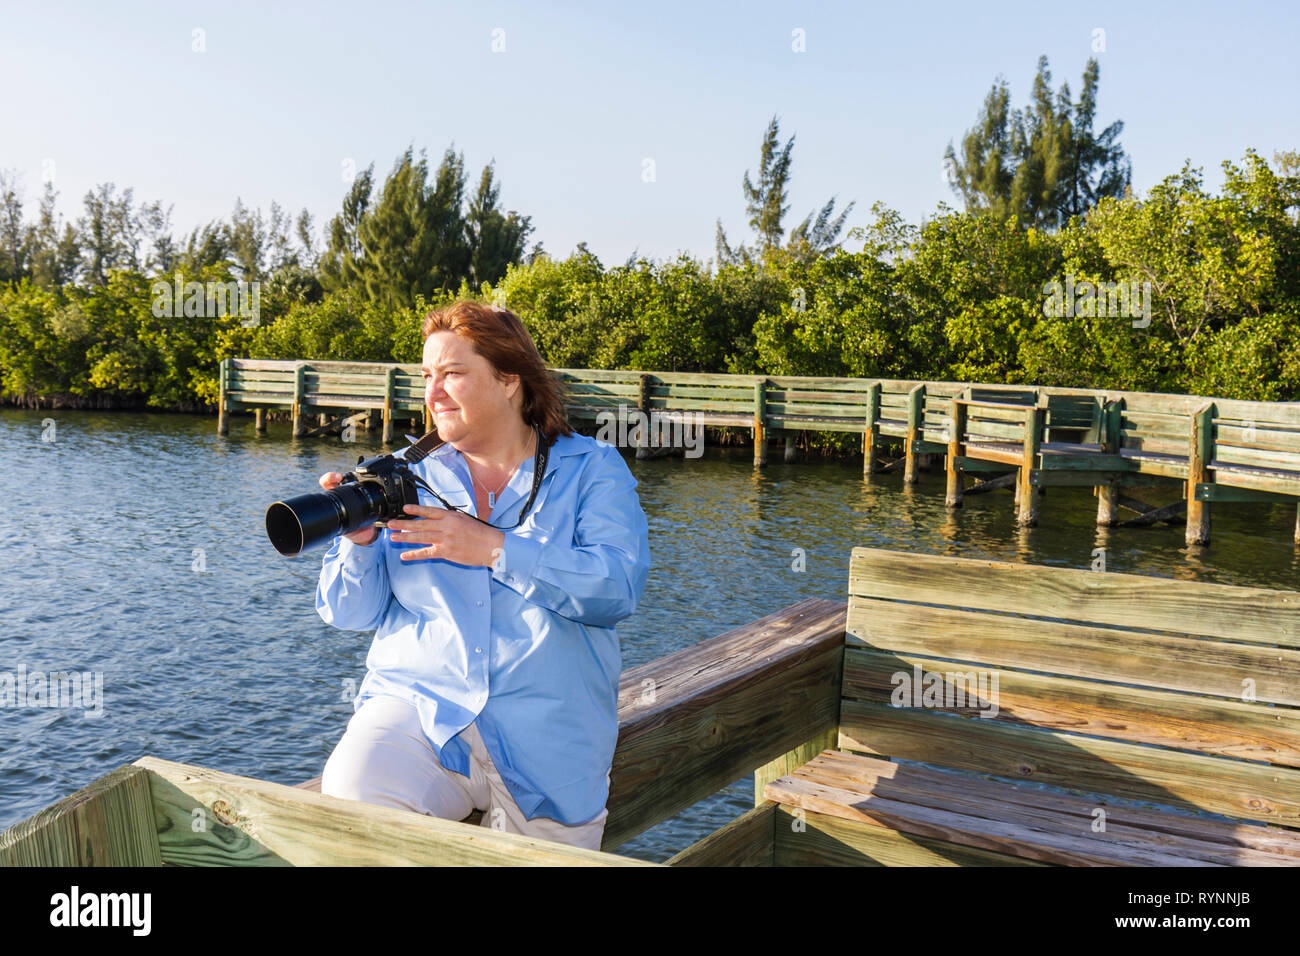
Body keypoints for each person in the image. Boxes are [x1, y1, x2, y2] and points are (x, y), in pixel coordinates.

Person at [315, 301, 651, 852]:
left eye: (452, 374)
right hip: (422, 711)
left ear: (510, 379)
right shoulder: (400, 477)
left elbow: (616, 589)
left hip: (547, 739)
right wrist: (359, 542)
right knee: (353, 794)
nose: (434, 392)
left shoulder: (592, 468)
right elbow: (350, 614)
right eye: (428, 376)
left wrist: (496, 549)